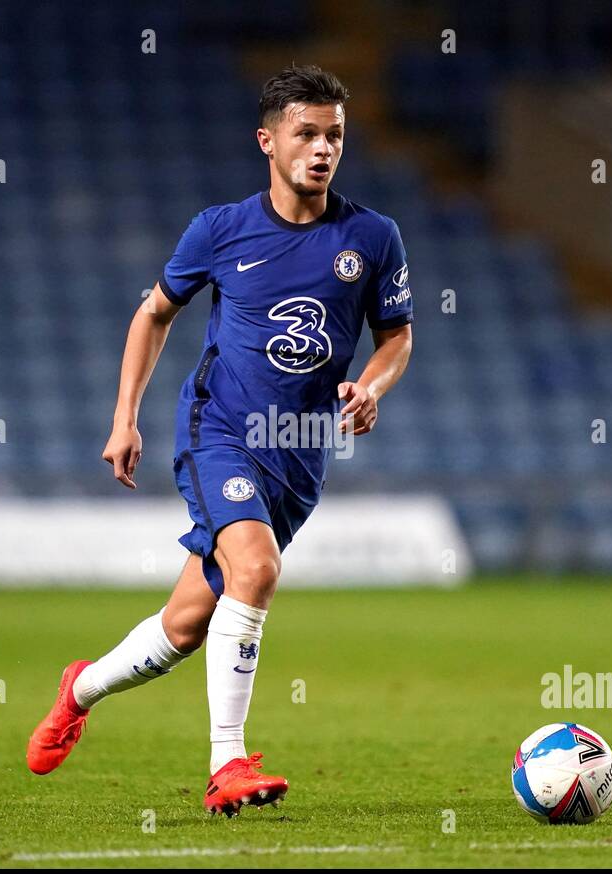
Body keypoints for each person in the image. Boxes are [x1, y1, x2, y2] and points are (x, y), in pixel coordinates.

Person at [26, 65, 414, 816]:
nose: (323, 148)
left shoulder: (372, 237)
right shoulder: (220, 230)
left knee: (184, 626)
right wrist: (124, 417)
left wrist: (370, 384)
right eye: (306, 133)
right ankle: (226, 763)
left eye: (335, 134)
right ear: (267, 141)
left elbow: (397, 337)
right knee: (258, 568)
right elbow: (153, 315)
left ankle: (80, 688)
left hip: (299, 455)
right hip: (219, 431)